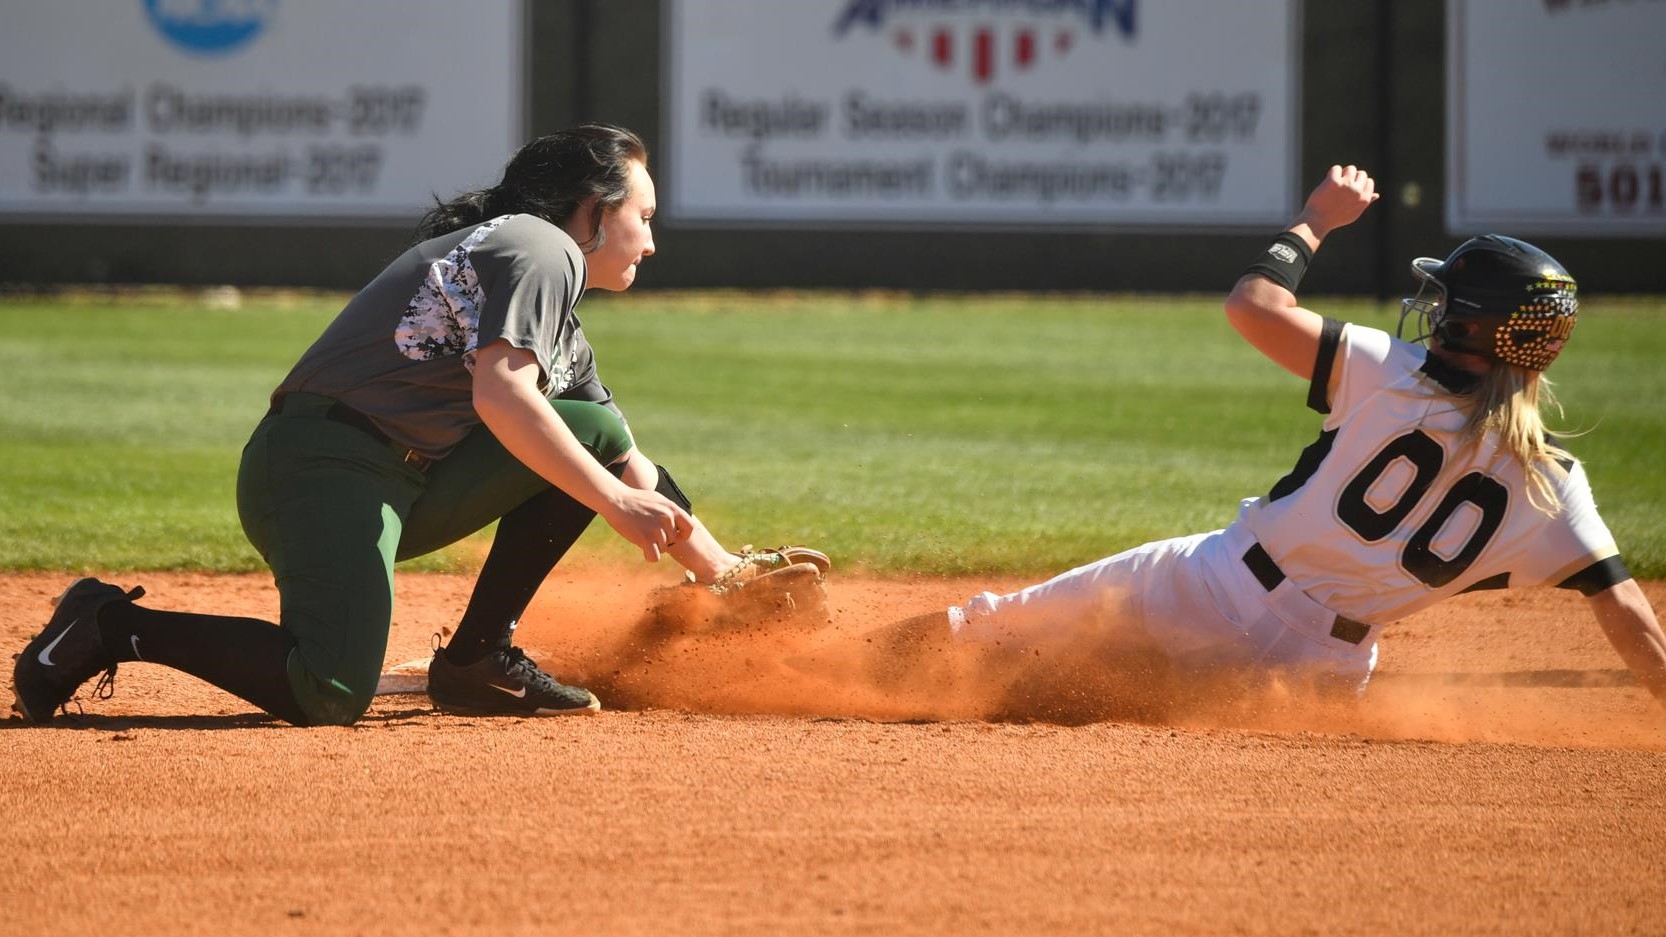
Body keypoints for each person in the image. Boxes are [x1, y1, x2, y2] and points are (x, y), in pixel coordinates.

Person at [11, 124, 827, 726]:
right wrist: (614, 504)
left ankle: (477, 661)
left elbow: (622, 453)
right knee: (328, 692)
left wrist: (722, 575)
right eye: (643, 216)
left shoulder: (548, 294)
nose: (651, 241)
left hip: (398, 476)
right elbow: (503, 399)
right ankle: (111, 624)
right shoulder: (543, 248)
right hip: (319, 466)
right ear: (592, 209)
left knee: (588, 436)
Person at [871, 164, 1666, 712]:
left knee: (990, 628)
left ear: (1466, 320)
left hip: (1216, 592)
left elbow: (1253, 306)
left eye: (1444, 297)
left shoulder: (1389, 369)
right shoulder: (1554, 483)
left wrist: (1317, 219)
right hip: (1327, 675)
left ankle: (813, 664)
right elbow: (1630, 616)